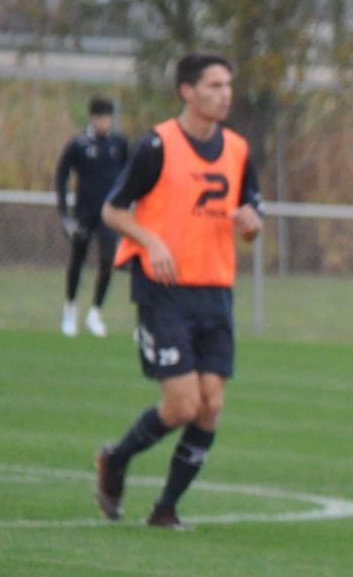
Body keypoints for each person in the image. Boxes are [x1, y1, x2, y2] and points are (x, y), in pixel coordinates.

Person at [94, 53, 263, 530]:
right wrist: (151, 241)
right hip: (163, 290)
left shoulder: (238, 150)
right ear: (187, 91)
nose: (225, 95)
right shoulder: (157, 145)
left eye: (228, 85)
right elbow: (113, 210)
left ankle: (165, 509)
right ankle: (116, 459)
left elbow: (250, 216)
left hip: (215, 290)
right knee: (183, 405)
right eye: (214, 85)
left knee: (211, 405)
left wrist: (252, 225)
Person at [54, 96, 130, 337]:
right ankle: (70, 307)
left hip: (109, 214)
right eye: (100, 117)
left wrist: (126, 206)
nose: (104, 122)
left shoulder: (119, 144)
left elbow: (129, 176)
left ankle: (95, 312)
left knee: (107, 261)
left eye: (107, 117)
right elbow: (61, 176)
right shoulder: (78, 145)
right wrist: (64, 214)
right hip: (84, 213)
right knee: (77, 260)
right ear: (92, 118)